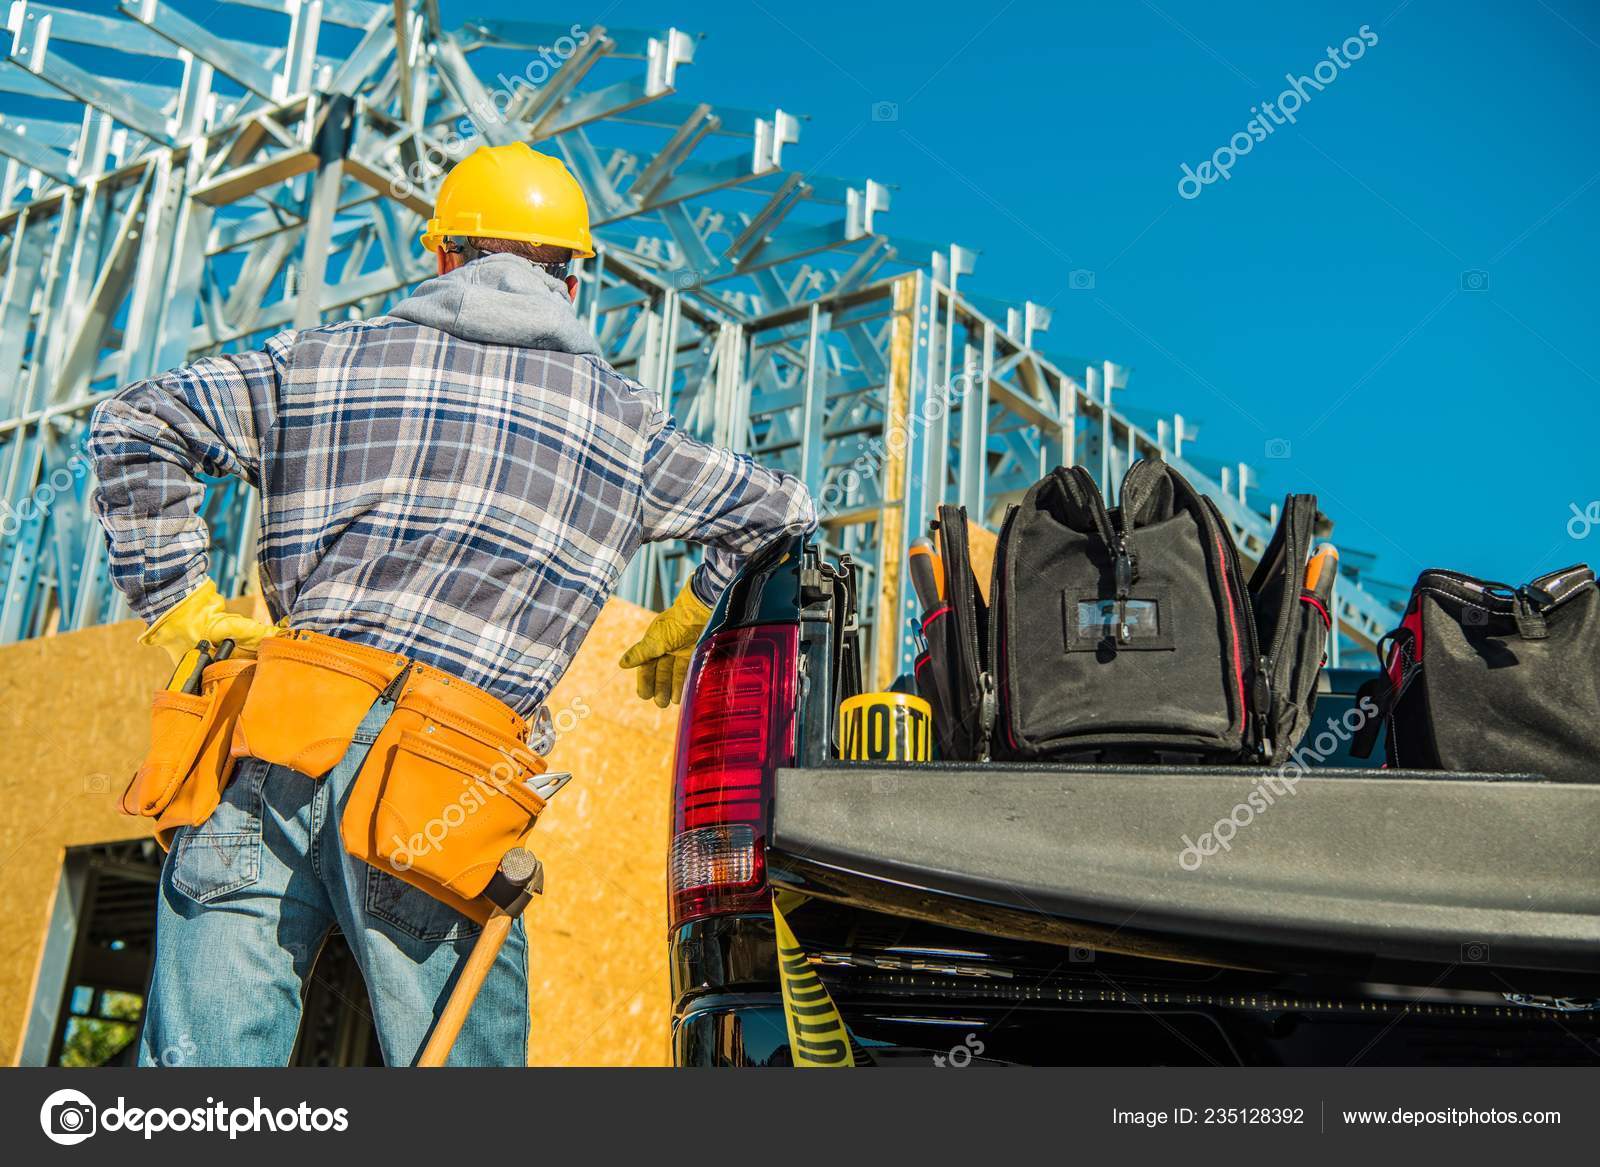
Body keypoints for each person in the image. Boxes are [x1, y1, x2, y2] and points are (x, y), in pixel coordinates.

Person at [88, 142, 814, 1066]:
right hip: (448, 777)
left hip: (276, 732)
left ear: (441, 257)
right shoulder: (627, 427)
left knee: (204, 1072)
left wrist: (178, 604)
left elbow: (136, 421)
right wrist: (693, 607)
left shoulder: (321, 359)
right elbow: (780, 509)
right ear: (574, 284)